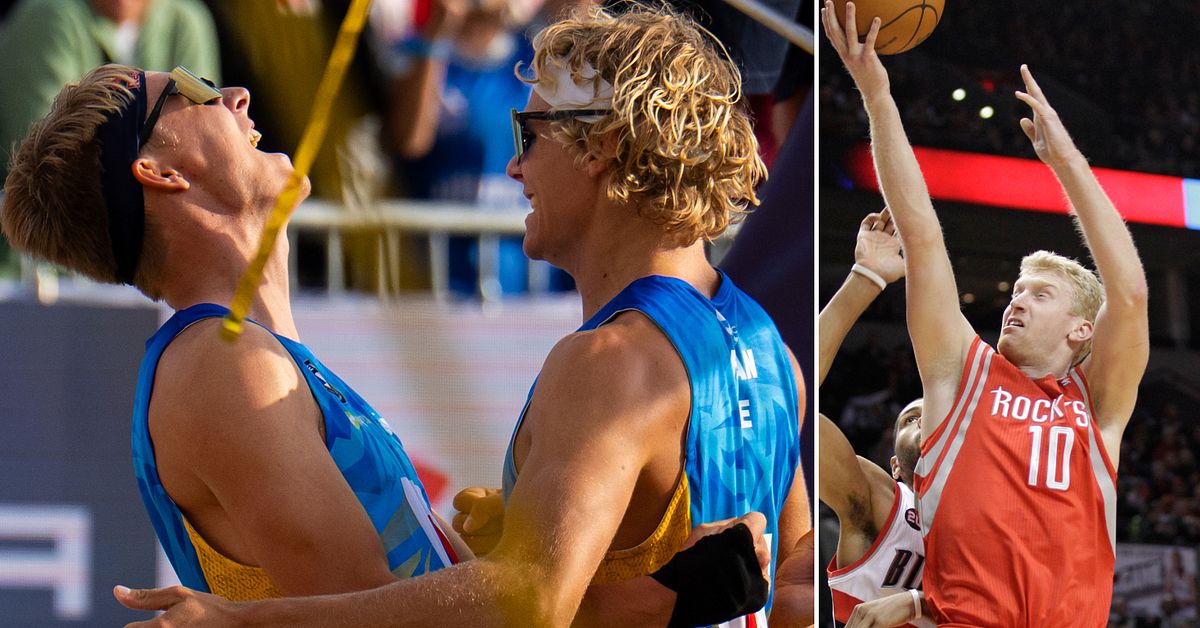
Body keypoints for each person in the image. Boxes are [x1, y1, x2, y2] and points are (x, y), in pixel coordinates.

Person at [106, 4, 809, 626]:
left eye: (528, 134)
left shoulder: (609, 364)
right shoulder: (770, 349)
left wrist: (250, 622)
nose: (513, 169)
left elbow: (529, 605)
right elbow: (796, 588)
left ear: (600, 147)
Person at [824, 2, 1149, 626]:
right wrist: (877, 95)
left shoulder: (1098, 405)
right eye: (1017, 290)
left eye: (1040, 294)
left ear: (1082, 329)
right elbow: (922, 236)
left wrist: (1067, 164)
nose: (1016, 300)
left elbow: (1130, 293)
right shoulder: (961, 373)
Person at [818, 209, 931, 628]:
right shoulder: (884, 502)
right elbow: (787, 401)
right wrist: (866, 278)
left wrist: (919, 605)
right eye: (910, 419)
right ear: (895, 467)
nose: (925, 416)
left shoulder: (996, 518)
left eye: (935, 411)